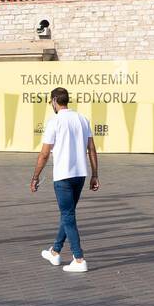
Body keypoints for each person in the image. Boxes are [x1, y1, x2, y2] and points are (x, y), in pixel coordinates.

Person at [30, 86, 99, 273]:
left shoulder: (54, 122)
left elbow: (44, 154)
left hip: (63, 176)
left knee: (68, 215)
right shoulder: (82, 119)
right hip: (80, 175)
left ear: (54, 101)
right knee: (67, 213)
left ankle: (79, 259)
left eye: (50, 102)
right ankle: (55, 251)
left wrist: (35, 177)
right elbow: (91, 149)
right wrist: (95, 174)